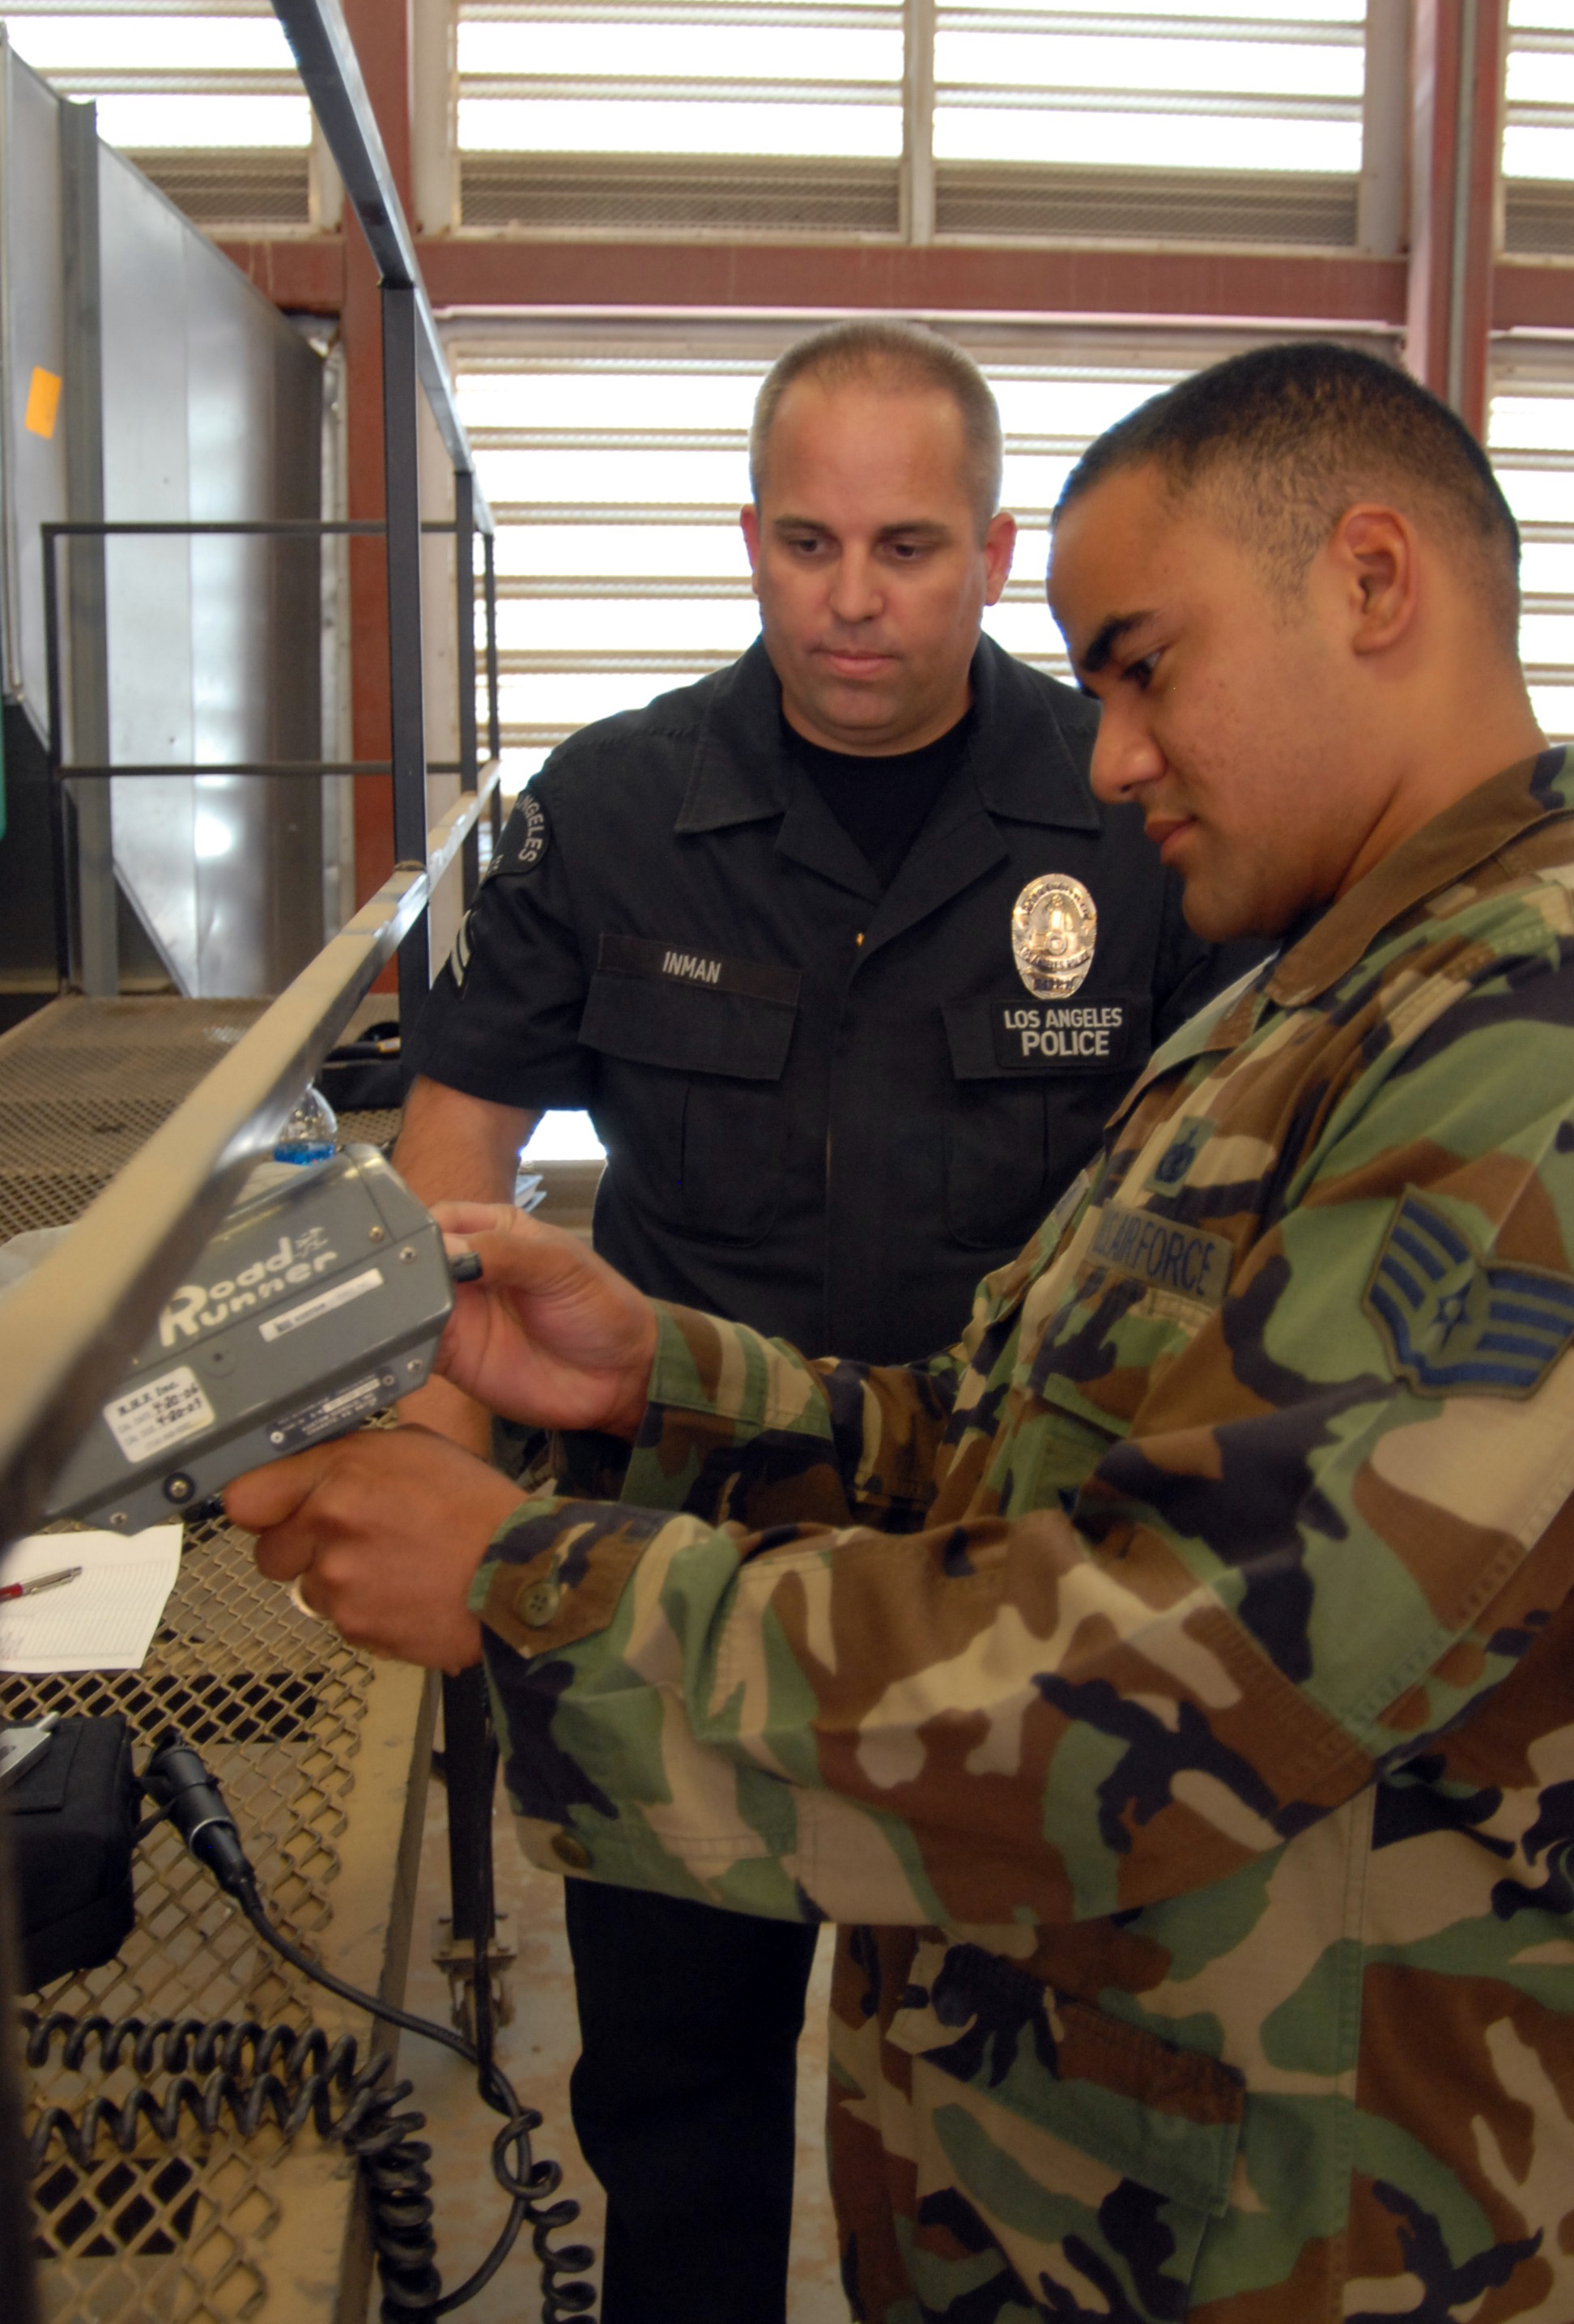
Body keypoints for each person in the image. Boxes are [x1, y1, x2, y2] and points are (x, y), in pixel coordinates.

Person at [231, 339, 1574, 2318]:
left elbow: (1184, 1668)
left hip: (1290, 2209)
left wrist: (526, 1580)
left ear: (1373, 580)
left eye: (1146, 666)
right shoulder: (1328, 997)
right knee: (675, 2113)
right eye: (809, 541)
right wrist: (662, 1374)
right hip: (1077, 2119)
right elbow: (1024, 1441)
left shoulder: (1521, 1053)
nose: (1113, 759)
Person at [390, 321, 1243, 2322]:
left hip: (1010, 1597)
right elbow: (452, 1173)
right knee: (677, 2107)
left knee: (1016, 2145)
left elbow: (1225, 1214)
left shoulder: (1134, 815)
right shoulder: (613, 808)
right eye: (809, 541)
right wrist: (437, 1488)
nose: (855, 598)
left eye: (910, 546)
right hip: (673, 1583)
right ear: (749, 538)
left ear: (995, 550)